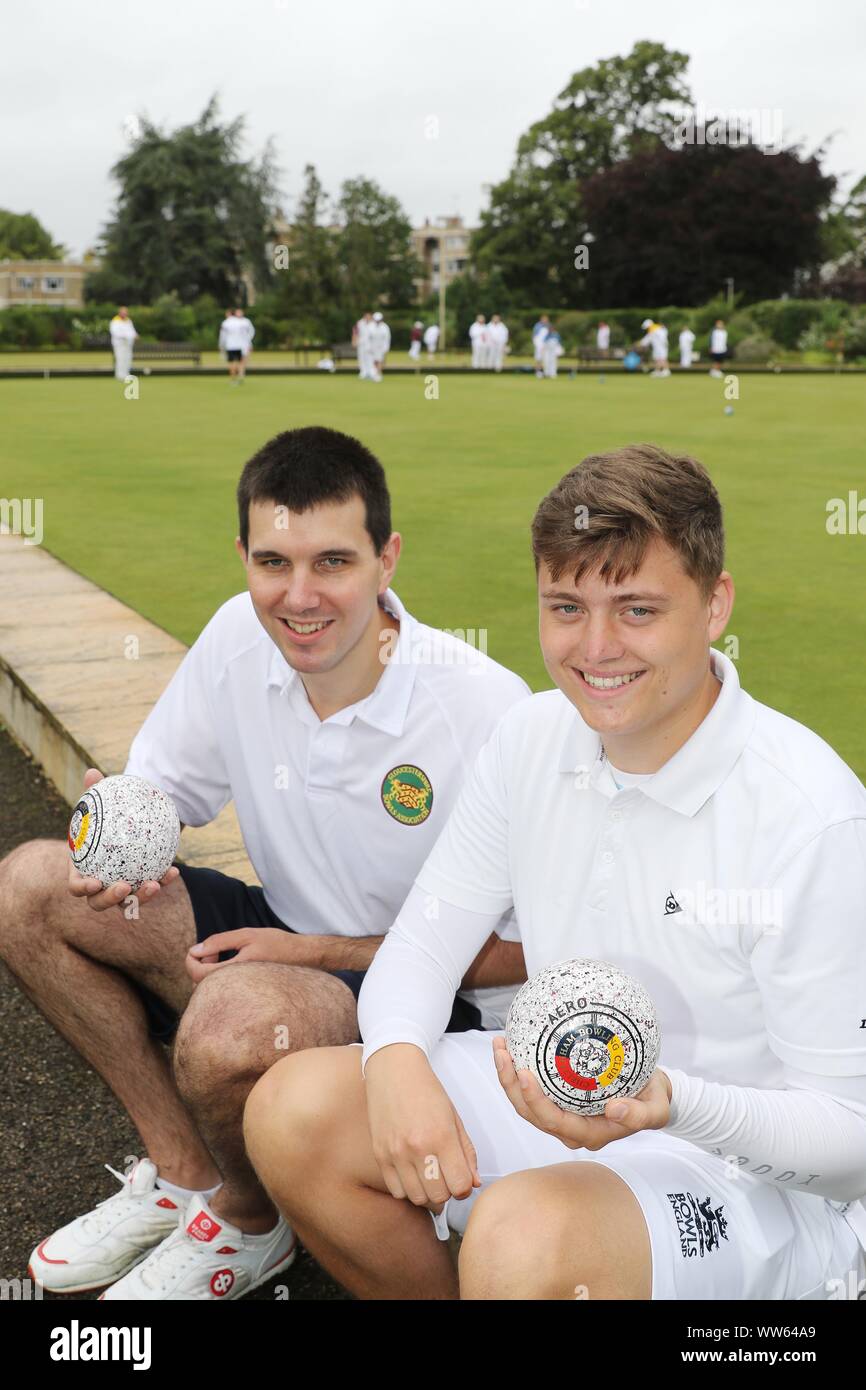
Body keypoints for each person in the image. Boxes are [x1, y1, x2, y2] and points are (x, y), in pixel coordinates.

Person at [245, 442, 866, 1302]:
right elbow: (426, 948)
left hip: (755, 1176)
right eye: (566, 606)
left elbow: (851, 1142)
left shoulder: (813, 815)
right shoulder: (531, 738)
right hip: (561, 1094)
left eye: (638, 609)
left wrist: (672, 1102)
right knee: (293, 1112)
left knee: (522, 1239)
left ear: (715, 605)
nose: (597, 647)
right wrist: (394, 1062)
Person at [1, 427, 530, 1301]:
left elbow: (530, 950)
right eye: (273, 563)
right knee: (31, 886)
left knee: (232, 1026)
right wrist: (121, 823)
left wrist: (317, 956)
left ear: (386, 559)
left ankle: (251, 1225)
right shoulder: (235, 637)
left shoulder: (481, 708)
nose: (300, 596)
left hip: (439, 1000)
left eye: (332, 562)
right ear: (242, 556)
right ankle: (187, 1176)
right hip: (284, 932)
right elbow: (165, 790)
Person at [221, 307, 253, 385]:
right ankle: (239, 377)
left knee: (232, 363)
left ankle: (233, 379)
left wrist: (222, 346)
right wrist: (248, 343)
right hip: (240, 346)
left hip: (230, 346)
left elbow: (223, 336)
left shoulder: (226, 323)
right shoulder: (240, 322)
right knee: (240, 362)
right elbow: (245, 334)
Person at [109, 306, 137, 381]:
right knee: (120, 359)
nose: (125, 314)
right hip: (119, 344)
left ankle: (126, 374)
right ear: (120, 313)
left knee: (128, 359)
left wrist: (135, 335)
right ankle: (119, 375)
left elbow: (132, 331)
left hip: (128, 344)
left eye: (126, 312)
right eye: (123, 312)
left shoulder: (128, 321)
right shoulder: (115, 321)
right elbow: (114, 332)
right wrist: (125, 336)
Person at [353, 312, 375, 380]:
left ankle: (371, 372)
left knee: (370, 358)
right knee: (361, 358)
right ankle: (363, 372)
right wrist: (354, 340)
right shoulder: (360, 323)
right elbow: (355, 332)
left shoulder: (374, 324)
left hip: (371, 344)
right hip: (361, 343)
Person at [370, 312, 391, 382]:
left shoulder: (385, 327)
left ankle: (378, 374)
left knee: (379, 360)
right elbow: (368, 337)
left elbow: (387, 338)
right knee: (374, 361)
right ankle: (375, 373)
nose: (377, 321)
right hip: (372, 346)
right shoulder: (370, 326)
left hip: (381, 346)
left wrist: (386, 348)